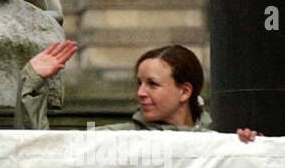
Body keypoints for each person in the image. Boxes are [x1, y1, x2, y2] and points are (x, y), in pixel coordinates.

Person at [16, 40, 260, 140]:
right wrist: (32, 83)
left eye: (152, 84)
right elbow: (42, 155)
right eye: (139, 83)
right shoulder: (117, 140)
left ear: (184, 92)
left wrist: (251, 153)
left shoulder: (217, 144)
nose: (141, 93)